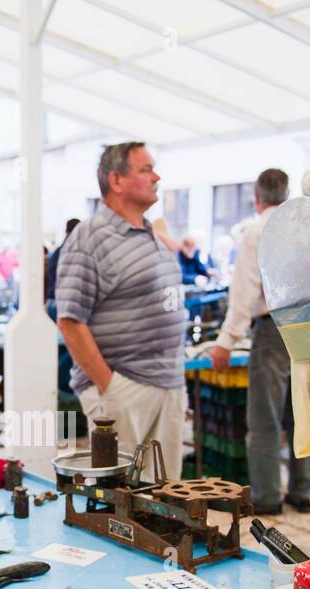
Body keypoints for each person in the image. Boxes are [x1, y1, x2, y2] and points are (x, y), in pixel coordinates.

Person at [56, 142, 189, 479]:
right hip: (125, 387)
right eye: (145, 169)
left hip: (167, 383)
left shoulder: (150, 233)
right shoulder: (90, 238)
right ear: (116, 181)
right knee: (122, 505)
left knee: (164, 496)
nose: (156, 177)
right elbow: (71, 321)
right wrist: (110, 386)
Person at [210, 168, 310, 515]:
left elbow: (245, 290)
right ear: (284, 194)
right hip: (307, 326)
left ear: (257, 198)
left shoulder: (257, 230)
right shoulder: (305, 227)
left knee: (265, 417)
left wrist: (226, 340)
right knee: (301, 412)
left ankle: (267, 497)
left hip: (272, 328)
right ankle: (302, 491)